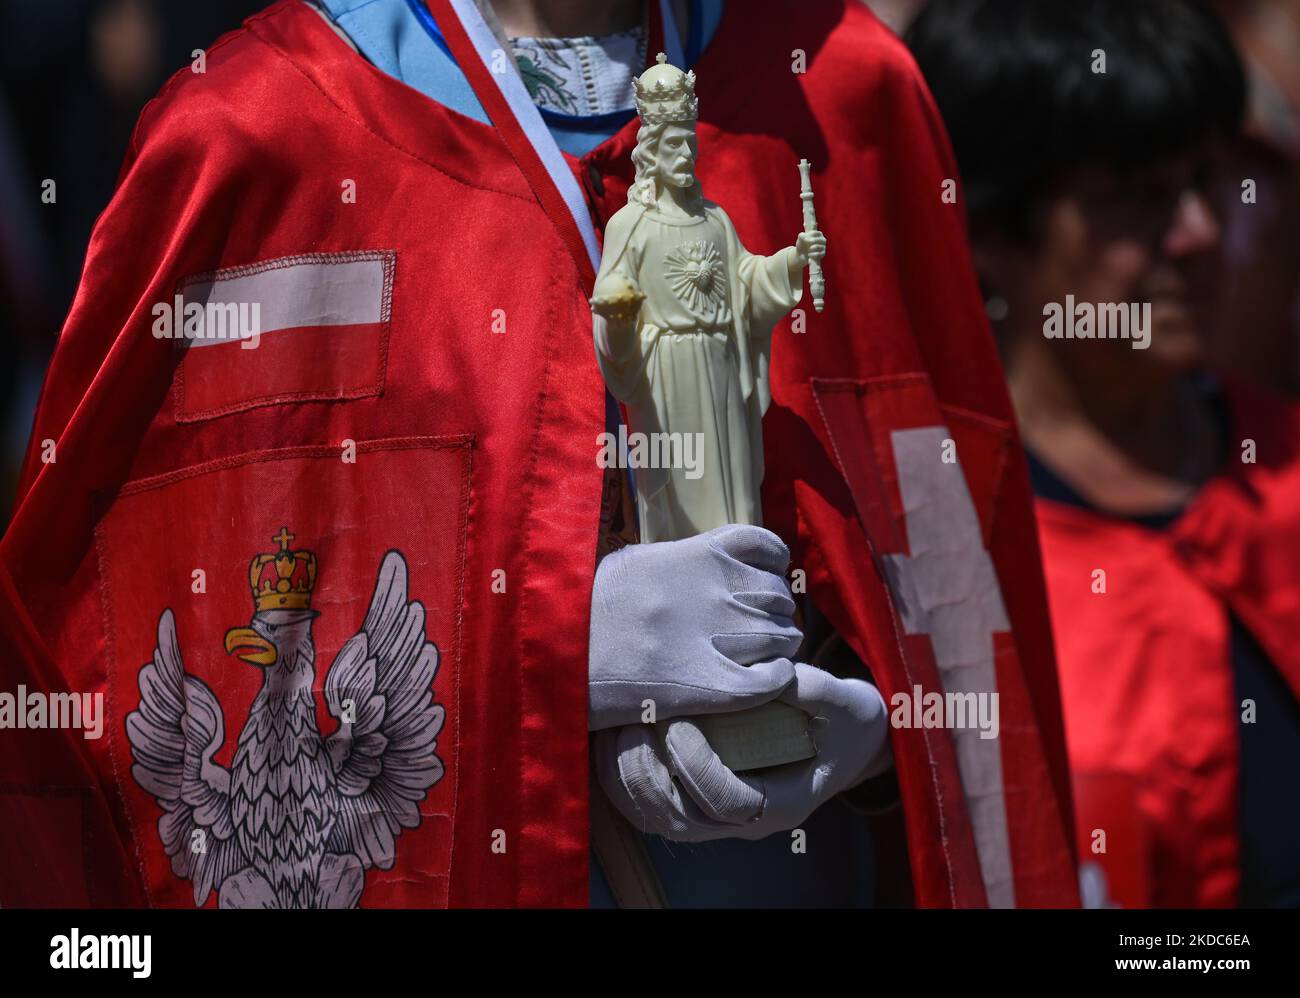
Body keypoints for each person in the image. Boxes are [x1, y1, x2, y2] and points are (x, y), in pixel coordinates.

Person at [0, 0, 1078, 908]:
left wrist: (887, 737)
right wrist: (542, 639)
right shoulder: (257, 128)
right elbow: (119, 644)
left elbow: (953, 545)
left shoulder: (846, 94)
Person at [909, 0, 1300, 907]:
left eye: (1204, 180)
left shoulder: (1281, 469)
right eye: (1135, 195)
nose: (1200, 233)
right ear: (989, 232)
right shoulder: (937, 555)